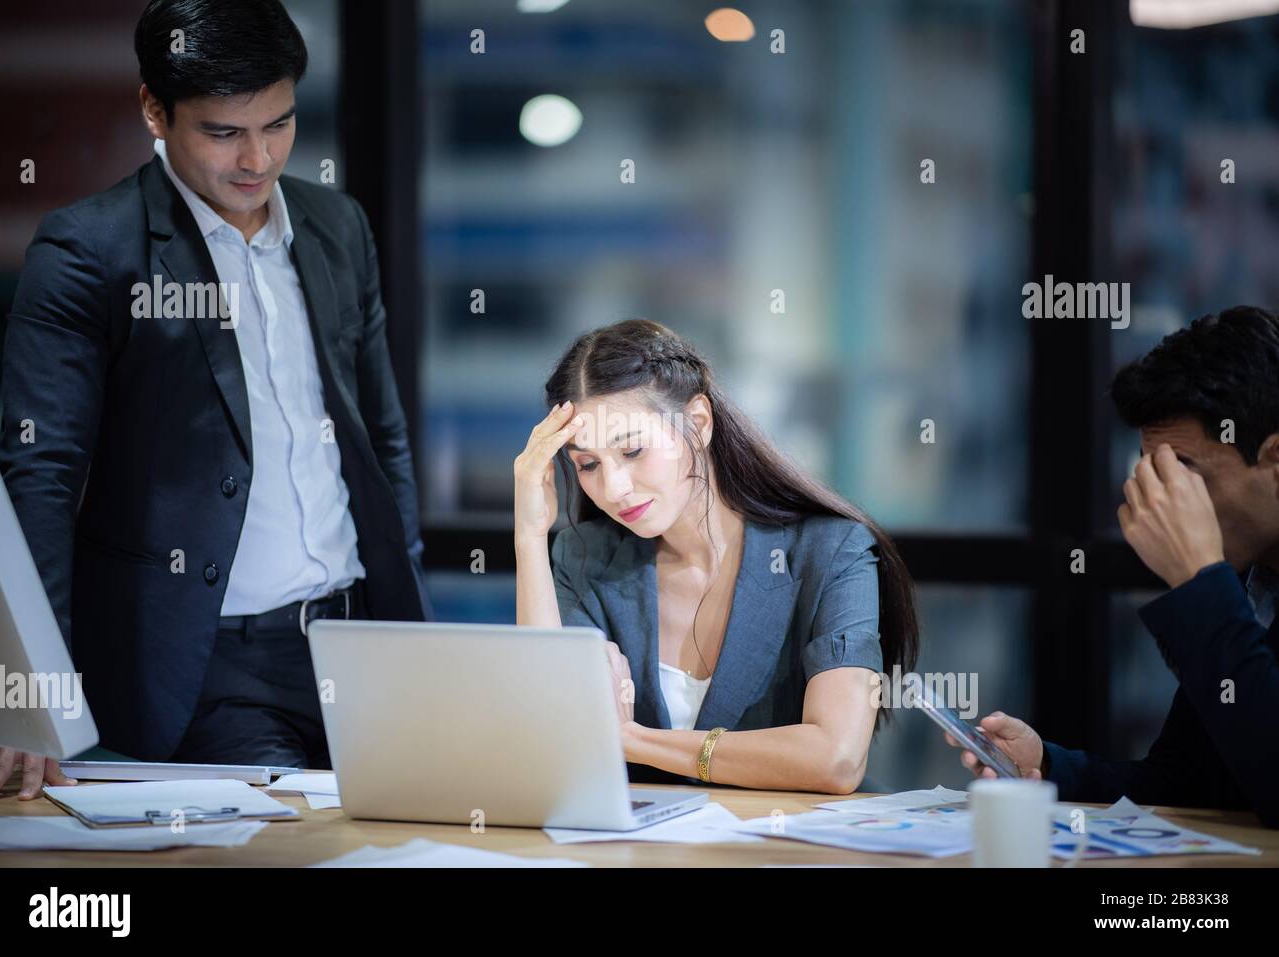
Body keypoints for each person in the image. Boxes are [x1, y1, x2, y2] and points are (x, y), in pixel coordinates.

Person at [0, 0, 431, 801]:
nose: (258, 159)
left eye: (279, 124)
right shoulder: (89, 251)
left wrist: (405, 617)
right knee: (289, 842)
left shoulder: (337, 226)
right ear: (155, 109)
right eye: (224, 133)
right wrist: (29, 699)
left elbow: (381, 436)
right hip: (210, 660)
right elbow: (40, 477)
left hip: (359, 646)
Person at [513, 319, 918, 792]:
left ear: (698, 423)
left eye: (633, 451)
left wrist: (631, 740)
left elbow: (836, 760)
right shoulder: (584, 557)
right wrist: (529, 533)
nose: (613, 488)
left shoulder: (831, 552)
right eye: (588, 464)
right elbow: (547, 733)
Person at [945, 305, 1279, 828]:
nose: (1168, 503)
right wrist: (1048, 768)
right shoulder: (1249, 581)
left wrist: (1199, 583)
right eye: (1154, 474)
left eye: (1186, 476)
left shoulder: (1216, 584)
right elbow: (1181, 782)